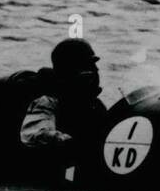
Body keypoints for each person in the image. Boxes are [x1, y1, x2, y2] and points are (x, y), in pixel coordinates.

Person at [18, 38, 107, 167]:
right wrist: (70, 143)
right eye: (86, 68)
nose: (93, 71)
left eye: (93, 66)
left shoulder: (95, 105)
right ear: (68, 72)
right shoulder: (48, 101)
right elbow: (35, 134)